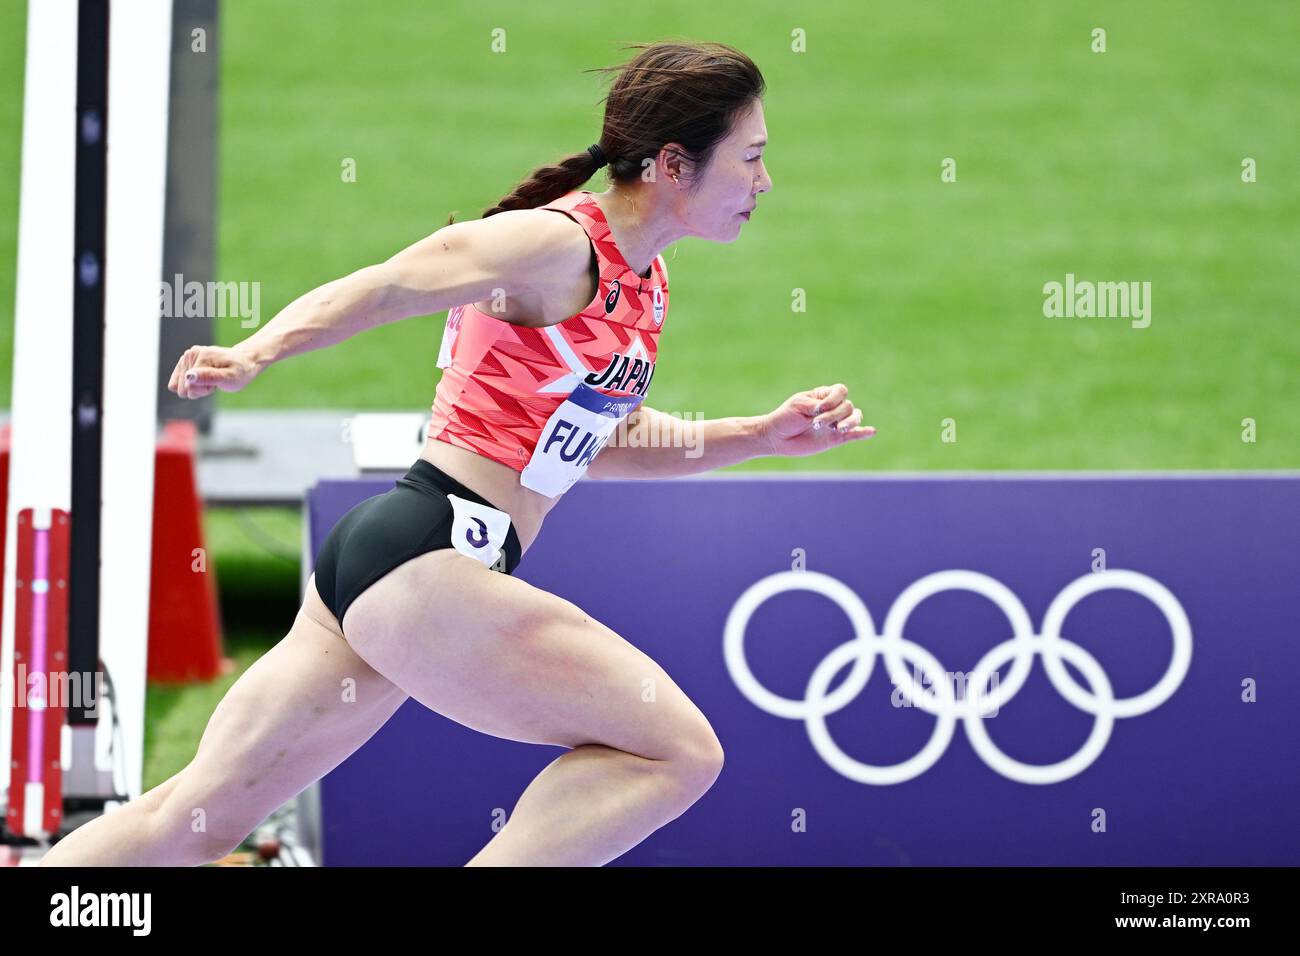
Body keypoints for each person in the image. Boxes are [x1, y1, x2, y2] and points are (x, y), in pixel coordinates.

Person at [39, 40, 873, 868]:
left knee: (190, 822)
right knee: (678, 751)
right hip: (430, 554)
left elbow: (601, 441)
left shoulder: (644, 282)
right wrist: (260, 350)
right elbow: (394, 282)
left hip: (393, 568)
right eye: (752, 157)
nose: (765, 183)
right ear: (671, 165)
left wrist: (760, 436)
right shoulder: (556, 245)